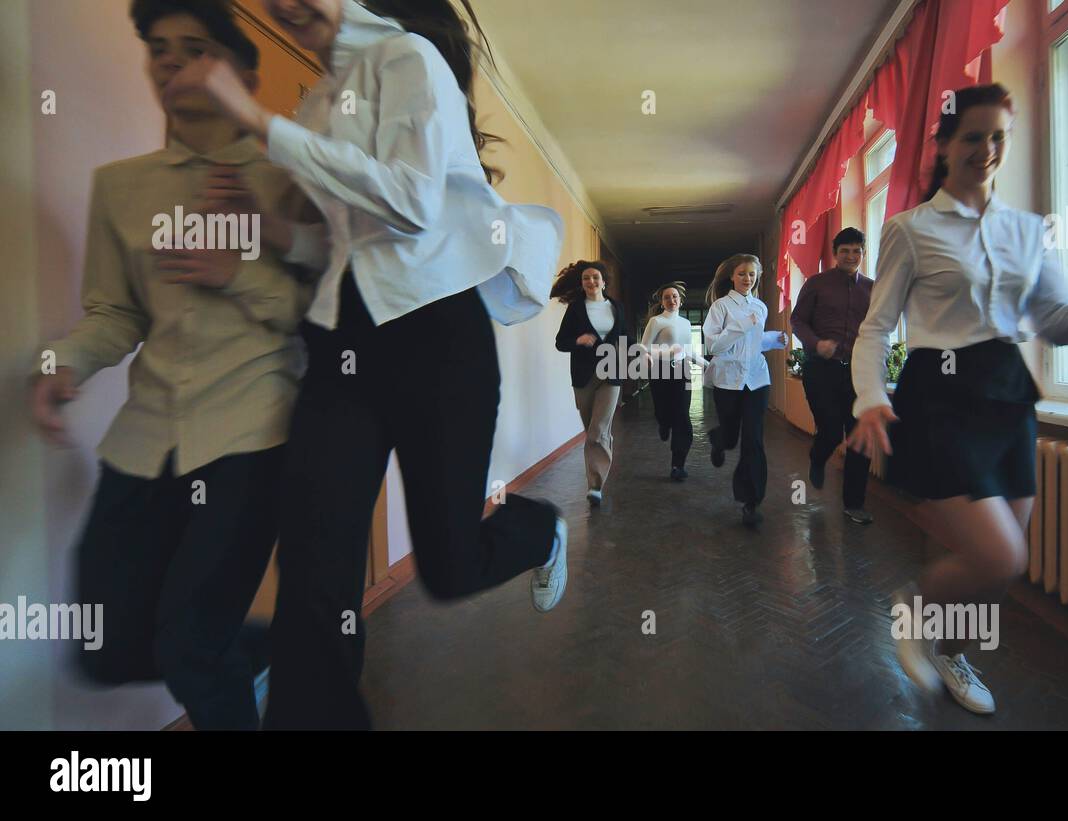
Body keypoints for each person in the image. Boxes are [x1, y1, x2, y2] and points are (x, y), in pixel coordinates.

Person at [165, 0, 569, 729]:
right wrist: (268, 230)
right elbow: (340, 249)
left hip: (439, 340)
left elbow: (413, 204)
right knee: (316, 567)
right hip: (342, 344)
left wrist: (260, 124)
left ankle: (541, 531)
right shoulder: (320, 99)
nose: (284, 5)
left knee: (448, 568)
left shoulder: (408, 58)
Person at [29, 0, 316, 730]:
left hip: (251, 437)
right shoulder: (121, 187)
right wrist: (63, 365)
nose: (170, 63)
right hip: (144, 437)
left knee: (190, 643)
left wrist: (240, 273)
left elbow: (328, 317)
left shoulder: (292, 177)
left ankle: (230, 660)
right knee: (103, 647)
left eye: (194, 49)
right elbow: (115, 312)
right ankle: (272, 650)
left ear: (241, 73)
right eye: (158, 49)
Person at [847, 83, 1068, 715]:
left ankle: (949, 651)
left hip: (1007, 393)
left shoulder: (1027, 231)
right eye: (973, 137)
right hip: (940, 392)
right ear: (943, 144)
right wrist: (869, 398)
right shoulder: (910, 229)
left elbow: (1061, 323)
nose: (987, 149)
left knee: (999, 571)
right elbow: (877, 327)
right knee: (997, 553)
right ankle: (913, 608)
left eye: (999, 137)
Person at [790, 226, 875, 524]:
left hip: (859, 372)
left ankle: (854, 504)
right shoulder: (816, 284)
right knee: (830, 430)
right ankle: (818, 455)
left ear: (863, 254)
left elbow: (880, 329)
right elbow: (797, 320)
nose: (851, 256)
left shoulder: (873, 289)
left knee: (860, 437)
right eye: (845, 251)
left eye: (856, 251)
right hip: (821, 370)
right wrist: (816, 344)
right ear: (835, 254)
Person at [702, 254, 787, 527]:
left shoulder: (760, 307)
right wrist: (741, 325)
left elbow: (753, 342)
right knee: (730, 437)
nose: (747, 279)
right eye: (742, 273)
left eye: (752, 274)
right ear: (732, 276)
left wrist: (773, 339)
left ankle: (751, 501)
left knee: (754, 439)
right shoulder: (720, 307)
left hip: (757, 379)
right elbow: (714, 347)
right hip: (727, 380)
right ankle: (719, 439)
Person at [552, 260, 632, 503]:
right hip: (584, 375)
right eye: (586, 278)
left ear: (603, 281)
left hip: (611, 372)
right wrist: (578, 340)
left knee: (597, 431)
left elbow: (625, 338)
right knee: (592, 429)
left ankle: (595, 486)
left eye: (595, 277)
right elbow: (560, 342)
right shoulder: (576, 309)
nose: (591, 281)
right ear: (582, 283)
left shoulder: (616, 307)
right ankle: (603, 445)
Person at [639, 281, 707, 481]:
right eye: (667, 297)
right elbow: (644, 347)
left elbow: (688, 350)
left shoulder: (685, 323)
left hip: (681, 371)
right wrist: (648, 356)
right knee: (663, 412)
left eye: (675, 296)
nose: (671, 300)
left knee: (683, 417)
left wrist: (706, 364)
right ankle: (663, 423)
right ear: (661, 302)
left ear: (680, 299)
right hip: (659, 371)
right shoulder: (656, 322)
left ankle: (678, 465)